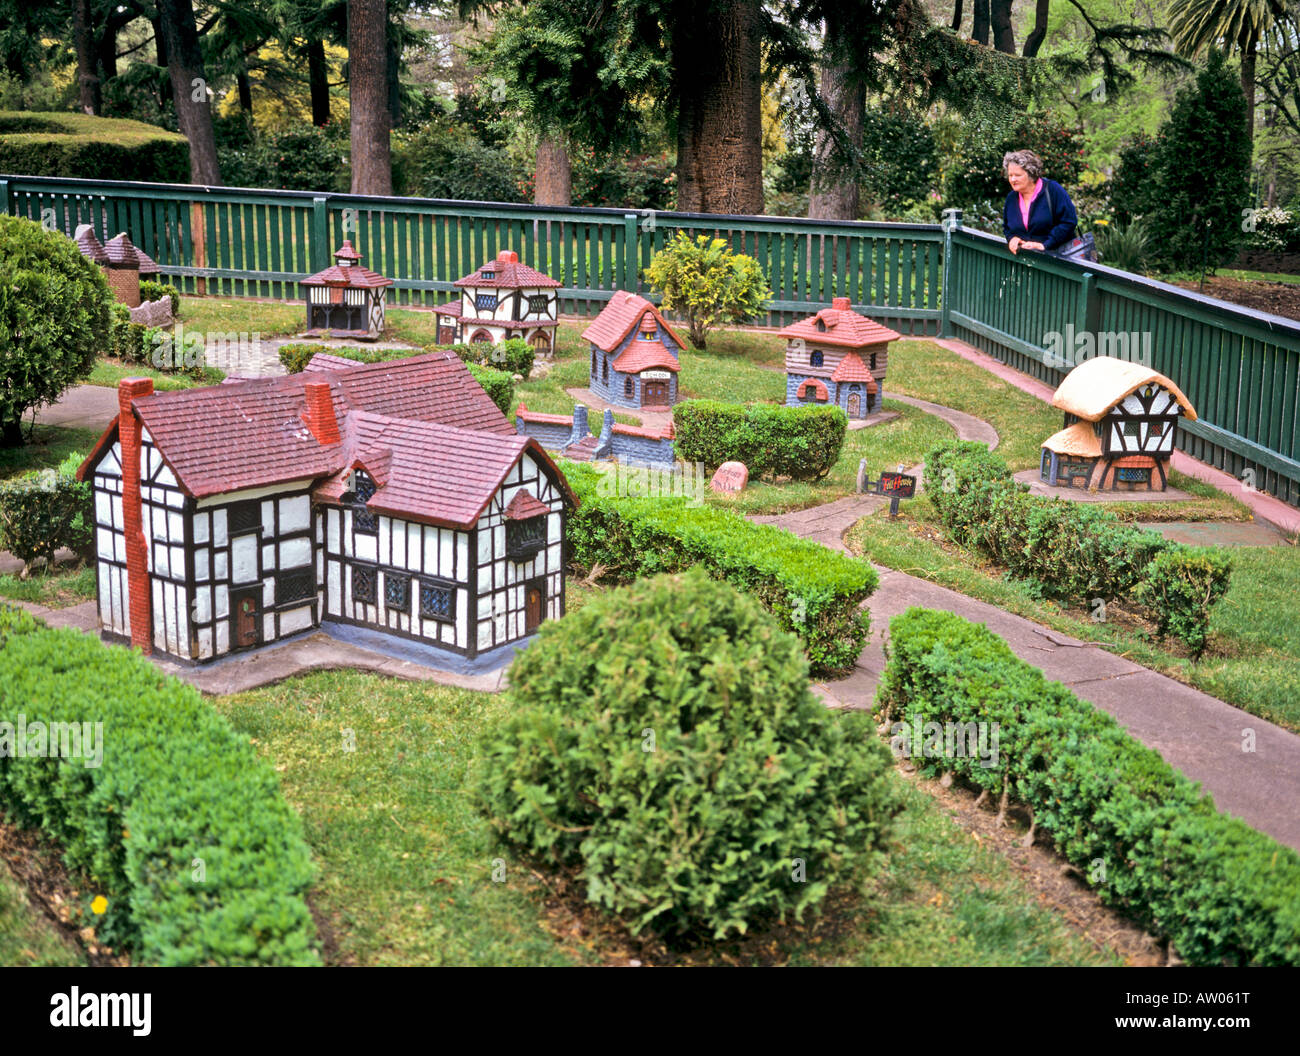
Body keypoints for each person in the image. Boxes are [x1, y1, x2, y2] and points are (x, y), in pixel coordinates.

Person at [1002, 150, 1078, 256]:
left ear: (1031, 174)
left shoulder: (1053, 190)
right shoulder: (1011, 198)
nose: (1013, 179)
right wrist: (1012, 238)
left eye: (1017, 175)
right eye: (1010, 175)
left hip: (1057, 261)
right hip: (1027, 264)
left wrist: (1045, 245)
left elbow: (1069, 222)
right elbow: (1006, 227)